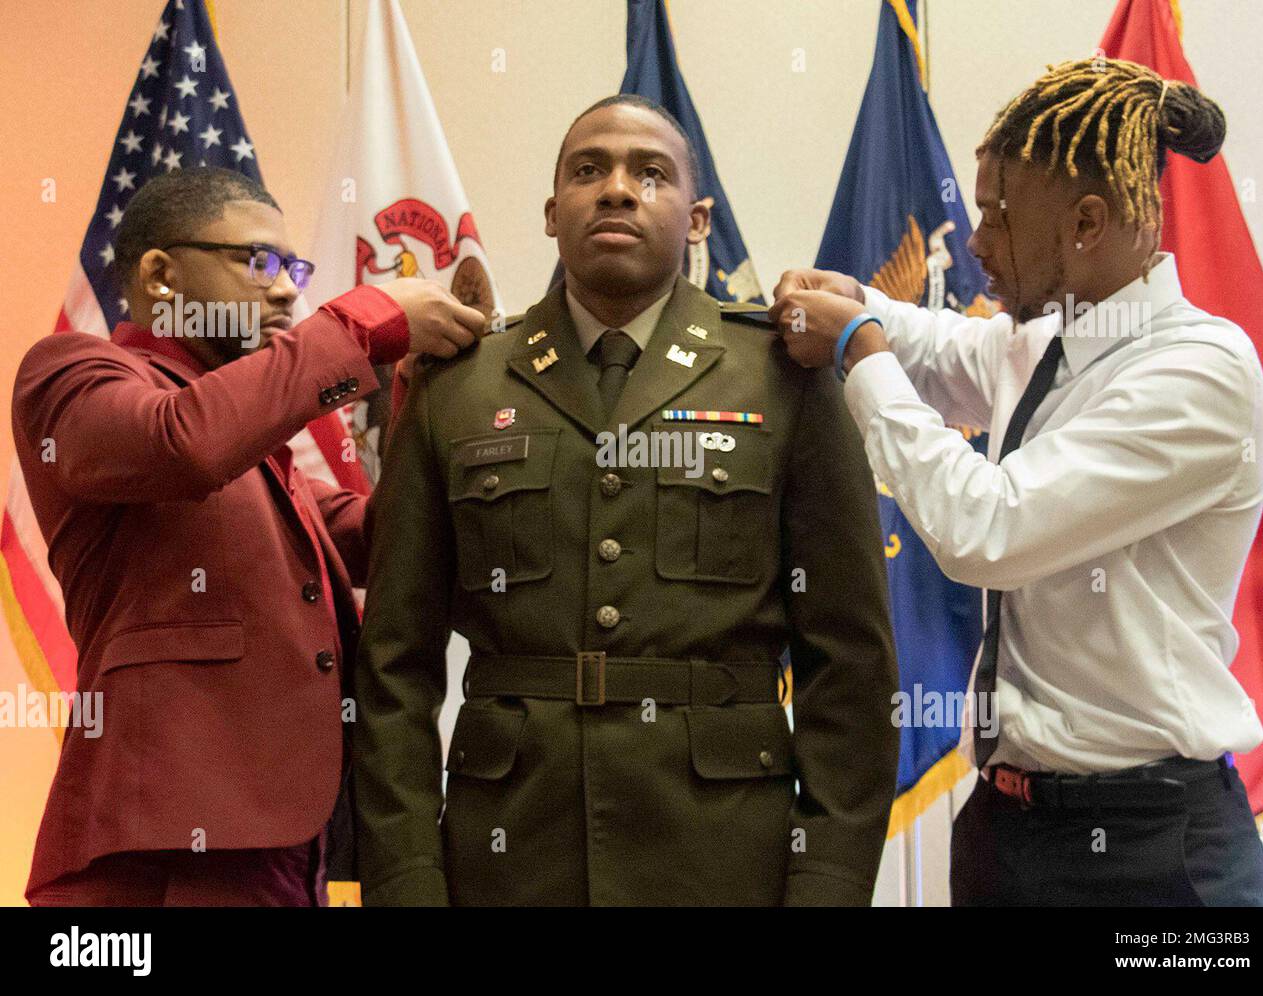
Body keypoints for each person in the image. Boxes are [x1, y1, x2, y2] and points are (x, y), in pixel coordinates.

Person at [353, 95, 900, 906]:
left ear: (698, 218)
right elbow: (395, 665)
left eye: (649, 173)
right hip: (507, 855)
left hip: (725, 860)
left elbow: (849, 664)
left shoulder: (785, 379)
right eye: (588, 171)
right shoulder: (458, 386)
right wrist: (405, 879)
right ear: (551, 214)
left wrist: (826, 879)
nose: (616, 190)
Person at [770, 59, 1263, 906]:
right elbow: (933, 346)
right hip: (1010, 835)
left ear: (1086, 222)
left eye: (998, 219)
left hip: (1152, 853)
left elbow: (987, 531)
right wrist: (856, 300)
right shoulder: (1052, 338)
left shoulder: (1200, 372)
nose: (972, 244)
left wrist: (860, 345)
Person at [16, 167, 485, 906]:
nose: (286, 291)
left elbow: (373, 536)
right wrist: (363, 321)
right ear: (161, 274)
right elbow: (183, 443)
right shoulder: (73, 372)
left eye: (292, 269)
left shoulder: (258, 442)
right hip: (158, 854)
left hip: (287, 842)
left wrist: (425, 393)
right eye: (257, 262)